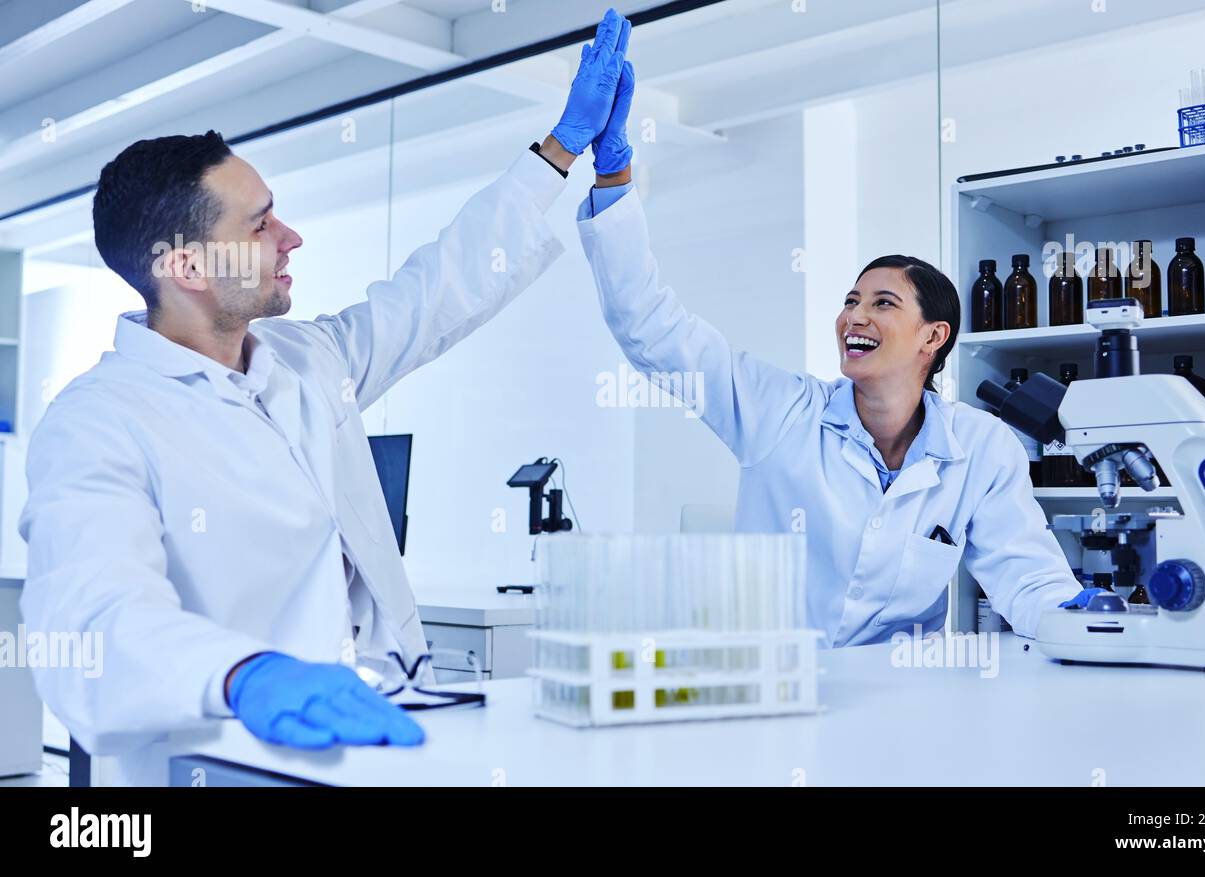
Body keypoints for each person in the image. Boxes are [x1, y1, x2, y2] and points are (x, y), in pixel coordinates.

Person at [19, 9, 633, 785]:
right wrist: (248, 673)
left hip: (381, 740)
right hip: (232, 767)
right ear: (187, 268)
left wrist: (560, 150)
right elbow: (93, 625)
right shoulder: (98, 422)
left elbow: (438, 290)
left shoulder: (308, 358)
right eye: (261, 223)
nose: (291, 238)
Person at [574, 60, 1094, 648]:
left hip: (897, 706)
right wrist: (615, 176)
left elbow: (1027, 580)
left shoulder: (980, 447)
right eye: (851, 301)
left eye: (883, 303)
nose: (855, 317)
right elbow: (652, 331)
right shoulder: (780, 412)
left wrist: (1086, 619)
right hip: (774, 694)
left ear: (933, 337)